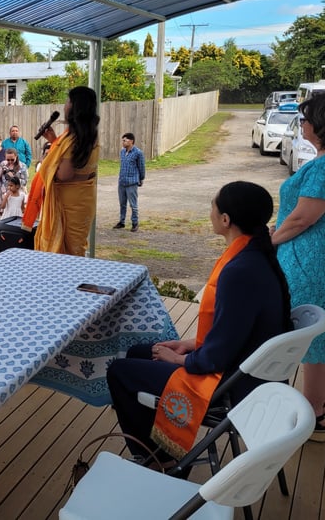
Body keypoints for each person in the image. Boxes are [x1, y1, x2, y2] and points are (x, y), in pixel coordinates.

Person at [107, 181, 291, 461]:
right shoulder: (256, 254)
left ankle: (157, 460)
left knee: (119, 371)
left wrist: (181, 359)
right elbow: (237, 328)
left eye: (213, 207)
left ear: (226, 220)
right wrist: (189, 344)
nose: (211, 213)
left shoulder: (240, 270)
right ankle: (158, 445)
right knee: (137, 353)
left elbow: (216, 357)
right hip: (246, 363)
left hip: (233, 382)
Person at [272, 91, 325, 442]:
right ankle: (316, 410)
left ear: (324, 126)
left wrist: (267, 242)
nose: (304, 124)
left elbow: (302, 219)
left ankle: (310, 413)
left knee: (304, 334)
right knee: (318, 340)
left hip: (309, 262)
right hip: (318, 258)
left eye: (307, 119)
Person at [23, 86, 100, 256]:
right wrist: (53, 140)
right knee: (73, 248)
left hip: (71, 204)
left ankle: (69, 282)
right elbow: (67, 156)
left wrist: (46, 163)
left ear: (75, 107)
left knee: (70, 252)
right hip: (82, 199)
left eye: (68, 101)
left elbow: (64, 174)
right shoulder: (86, 133)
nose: (65, 105)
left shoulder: (74, 138)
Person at [114, 132, 146, 232]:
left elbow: (141, 167)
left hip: (132, 182)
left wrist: (141, 178)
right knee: (122, 204)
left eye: (125, 140)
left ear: (131, 141)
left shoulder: (138, 153)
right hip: (122, 182)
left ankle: (135, 223)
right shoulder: (122, 152)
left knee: (133, 204)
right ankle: (121, 222)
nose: (123, 142)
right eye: (122, 140)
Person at [0, 149, 28, 214]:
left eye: (12, 159)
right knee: (3, 212)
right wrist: (1, 172)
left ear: (16, 156)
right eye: (8, 159)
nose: (10, 161)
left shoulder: (22, 166)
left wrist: (14, 178)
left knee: (16, 212)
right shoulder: (3, 164)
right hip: (4, 192)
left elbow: (25, 181)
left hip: (17, 193)